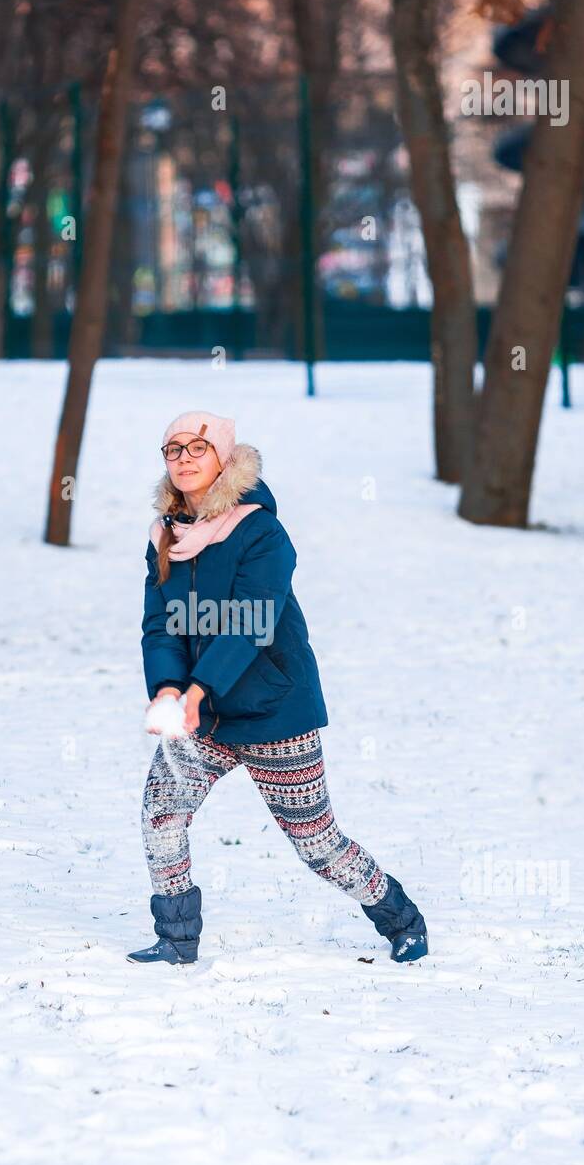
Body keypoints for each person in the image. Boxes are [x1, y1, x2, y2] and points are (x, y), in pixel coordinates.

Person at [128, 409, 428, 967]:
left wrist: (195, 690)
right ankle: (176, 941)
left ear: (223, 459)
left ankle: (401, 920)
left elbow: (251, 620)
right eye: (173, 449)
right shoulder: (165, 537)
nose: (184, 458)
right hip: (205, 715)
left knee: (316, 843)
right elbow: (161, 623)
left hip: (273, 710)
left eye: (198, 448)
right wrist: (168, 688)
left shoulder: (261, 531)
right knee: (161, 810)